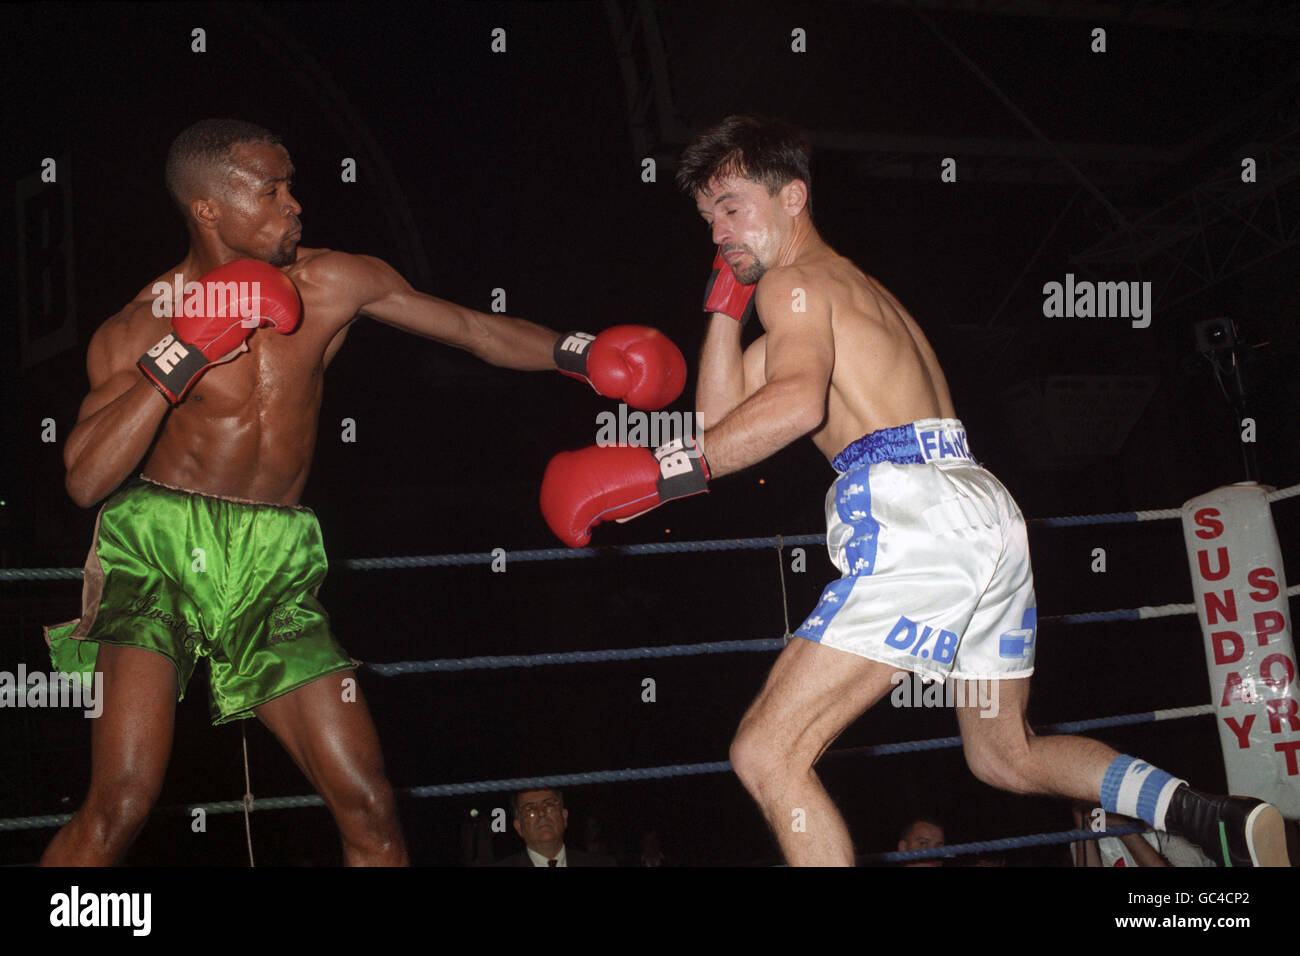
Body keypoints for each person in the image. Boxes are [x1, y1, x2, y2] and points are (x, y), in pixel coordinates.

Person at [539, 114, 1291, 868]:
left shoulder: (798, 286)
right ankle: (1199, 813)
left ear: (792, 196)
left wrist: (660, 473)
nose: (718, 232)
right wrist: (722, 312)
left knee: (767, 753)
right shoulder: (834, 295)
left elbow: (795, 408)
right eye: (707, 218)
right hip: (979, 511)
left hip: (914, 514)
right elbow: (726, 422)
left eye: (732, 207)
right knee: (1004, 754)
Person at [41, 118, 685, 866]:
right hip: (156, 546)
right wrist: (182, 356)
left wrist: (582, 354)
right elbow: (86, 479)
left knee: (370, 806)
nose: (295, 205)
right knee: (121, 803)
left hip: (271, 555)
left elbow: (474, 329)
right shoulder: (138, 324)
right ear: (207, 209)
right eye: (272, 189)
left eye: (293, 186)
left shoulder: (335, 280)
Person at [495, 789, 618, 867]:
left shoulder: (602, 864)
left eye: (549, 806)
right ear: (518, 827)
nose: (541, 814)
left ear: (564, 817)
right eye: (530, 810)